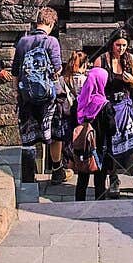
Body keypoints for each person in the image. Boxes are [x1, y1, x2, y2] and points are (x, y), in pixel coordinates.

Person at [94, 28, 133, 195]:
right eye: (118, 45)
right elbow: (96, 86)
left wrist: (131, 80)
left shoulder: (130, 58)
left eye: (124, 45)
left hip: (125, 106)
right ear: (112, 44)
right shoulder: (101, 60)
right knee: (110, 144)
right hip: (108, 107)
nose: (121, 49)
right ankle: (113, 178)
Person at [12, 7, 63, 176]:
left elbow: (15, 72)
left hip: (26, 97)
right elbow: (57, 68)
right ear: (51, 23)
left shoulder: (22, 42)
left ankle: (29, 175)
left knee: (29, 135)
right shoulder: (52, 41)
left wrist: (17, 93)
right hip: (48, 98)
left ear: (37, 22)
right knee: (54, 134)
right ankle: (57, 171)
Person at [69, 66, 113, 201]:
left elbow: (71, 124)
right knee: (100, 181)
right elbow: (112, 129)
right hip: (101, 148)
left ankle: (79, 205)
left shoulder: (79, 102)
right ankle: (99, 208)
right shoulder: (105, 105)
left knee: (82, 179)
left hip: (82, 148)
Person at [47, 50, 89, 186]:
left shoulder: (62, 79)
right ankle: (78, 170)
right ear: (84, 65)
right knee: (79, 144)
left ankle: (65, 169)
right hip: (80, 118)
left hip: (65, 116)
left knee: (66, 144)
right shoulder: (85, 80)